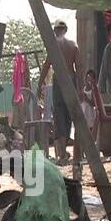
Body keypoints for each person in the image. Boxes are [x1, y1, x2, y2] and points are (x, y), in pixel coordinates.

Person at [38, 20, 81, 164]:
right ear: (66, 30)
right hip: (71, 81)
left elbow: (46, 66)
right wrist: (80, 89)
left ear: (55, 31)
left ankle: (62, 152)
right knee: (68, 115)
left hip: (59, 82)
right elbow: (79, 69)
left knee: (59, 115)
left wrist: (39, 85)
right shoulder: (73, 45)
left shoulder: (53, 46)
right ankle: (63, 152)